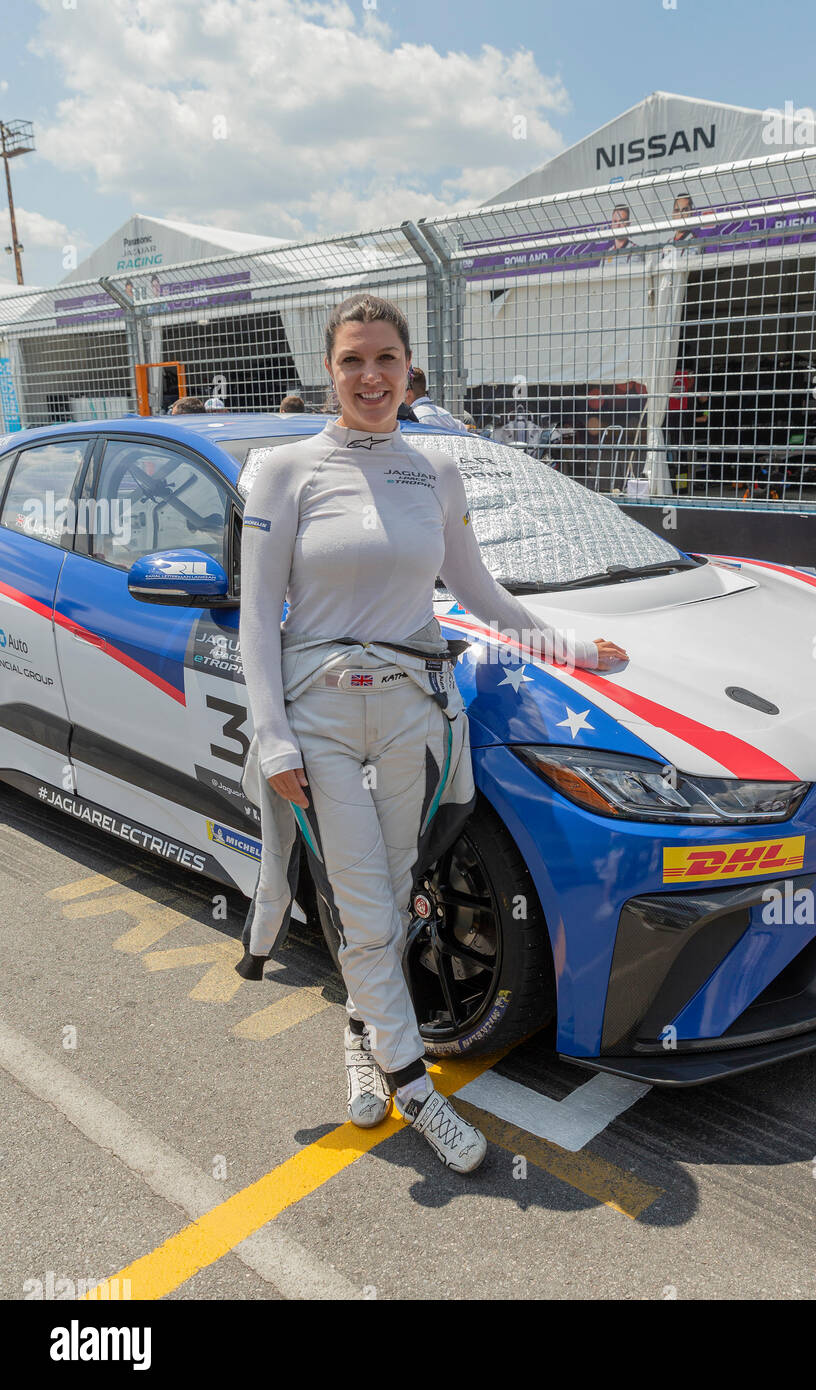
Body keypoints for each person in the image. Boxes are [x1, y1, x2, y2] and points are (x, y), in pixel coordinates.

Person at [237, 293, 627, 1174]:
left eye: (385, 359)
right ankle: (416, 1089)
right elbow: (256, 615)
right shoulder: (284, 471)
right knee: (369, 907)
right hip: (321, 716)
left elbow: (480, 594)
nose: (369, 376)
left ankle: (359, 1038)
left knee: (394, 896)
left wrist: (570, 650)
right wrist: (274, 737)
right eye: (350, 361)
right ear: (328, 372)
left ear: (410, 369)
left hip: (414, 714)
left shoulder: (435, 474)